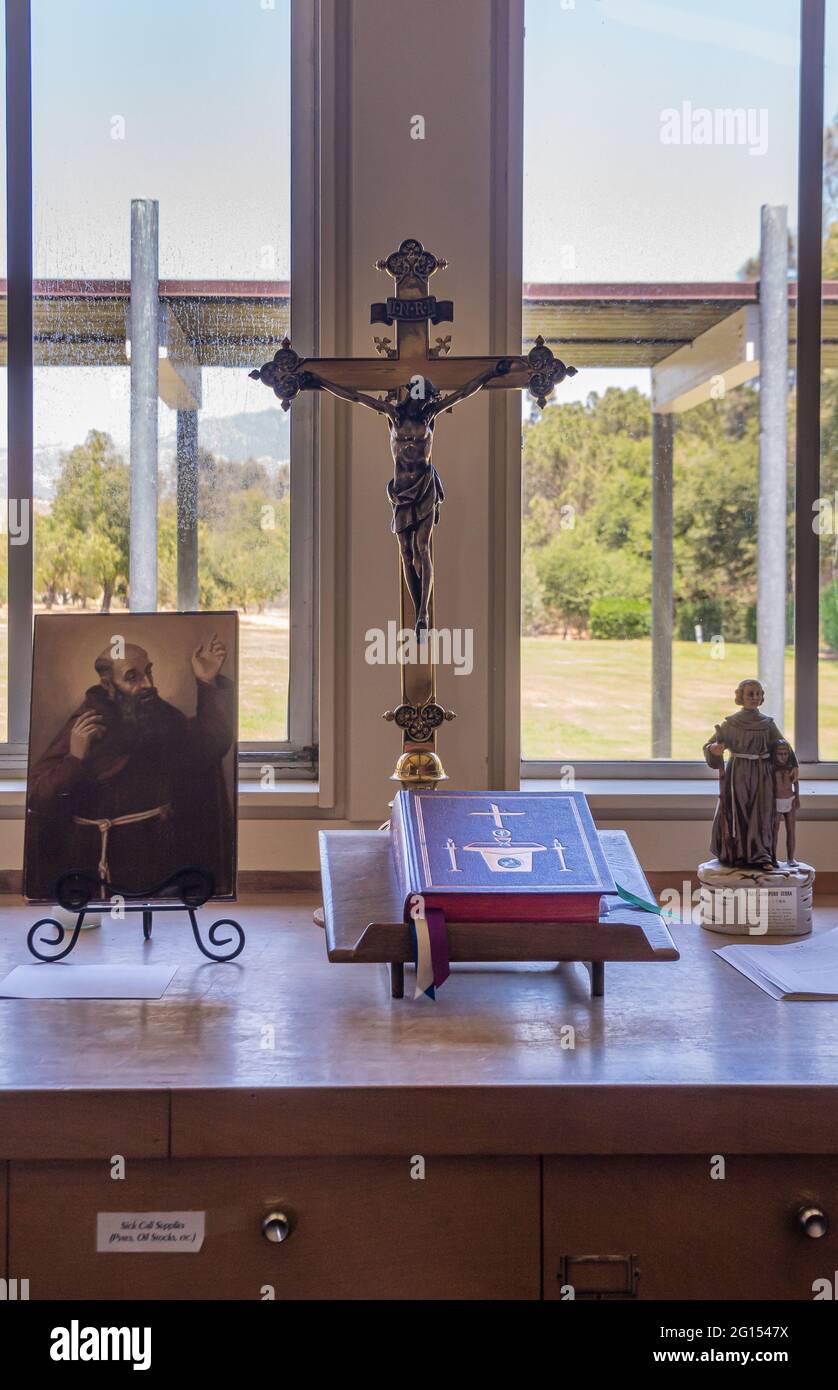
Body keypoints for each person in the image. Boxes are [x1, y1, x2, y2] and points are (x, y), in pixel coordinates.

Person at [25, 633, 235, 900]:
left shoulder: (160, 715)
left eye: (148, 673)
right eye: (132, 677)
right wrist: (75, 759)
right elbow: (38, 794)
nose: (147, 684)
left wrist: (206, 681)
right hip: (104, 860)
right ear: (107, 683)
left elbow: (206, 747)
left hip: (160, 856)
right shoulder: (88, 723)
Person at [303, 362, 509, 632]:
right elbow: (355, 396)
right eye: (422, 395)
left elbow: (464, 392)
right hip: (401, 492)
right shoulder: (393, 415)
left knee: (422, 549)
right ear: (413, 393)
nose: (425, 401)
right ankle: (418, 611)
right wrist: (320, 382)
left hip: (425, 486)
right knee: (406, 551)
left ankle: (422, 614)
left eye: (428, 398)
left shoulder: (429, 417)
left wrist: (492, 373)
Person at [703, 678, 793, 870]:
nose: (754, 697)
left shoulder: (767, 724)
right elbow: (711, 745)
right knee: (738, 811)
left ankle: (762, 855)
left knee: (763, 814)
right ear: (741, 697)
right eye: (750, 694)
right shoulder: (731, 723)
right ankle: (735, 853)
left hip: (763, 775)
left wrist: (790, 765)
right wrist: (714, 749)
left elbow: (782, 745)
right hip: (739, 774)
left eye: (758, 694)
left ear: (762, 698)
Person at [773, 739, 800, 865]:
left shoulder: (791, 768)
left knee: (791, 831)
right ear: (775, 754)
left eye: (785, 754)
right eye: (780, 754)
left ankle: (790, 858)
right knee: (774, 832)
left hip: (790, 800)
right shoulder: (771, 768)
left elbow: (796, 783)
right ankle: (773, 858)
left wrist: (797, 798)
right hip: (776, 801)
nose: (783, 757)